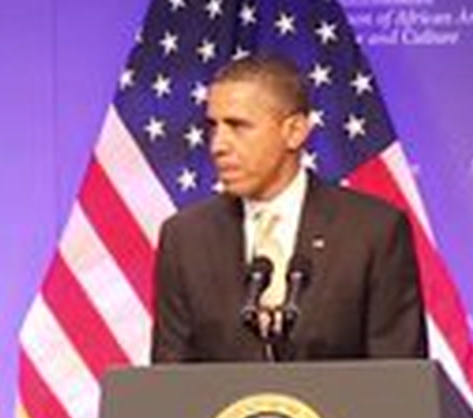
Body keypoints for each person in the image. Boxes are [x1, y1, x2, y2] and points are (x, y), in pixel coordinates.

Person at [151, 54, 426, 363]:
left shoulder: (372, 231)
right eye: (213, 127)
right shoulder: (185, 237)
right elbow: (169, 385)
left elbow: (399, 383)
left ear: (294, 131)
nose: (218, 145)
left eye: (238, 126)